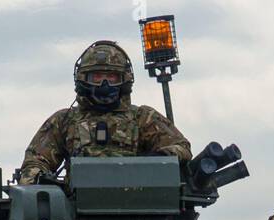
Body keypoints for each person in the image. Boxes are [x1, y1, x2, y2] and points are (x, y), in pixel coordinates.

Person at [18, 40, 191, 184]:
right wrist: (40, 180)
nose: (105, 84)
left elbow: (181, 148)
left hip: (138, 203)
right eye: (98, 78)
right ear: (83, 80)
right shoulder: (64, 120)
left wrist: (157, 159)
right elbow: (35, 161)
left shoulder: (143, 118)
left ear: (124, 80)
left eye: (112, 78)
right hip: (75, 211)